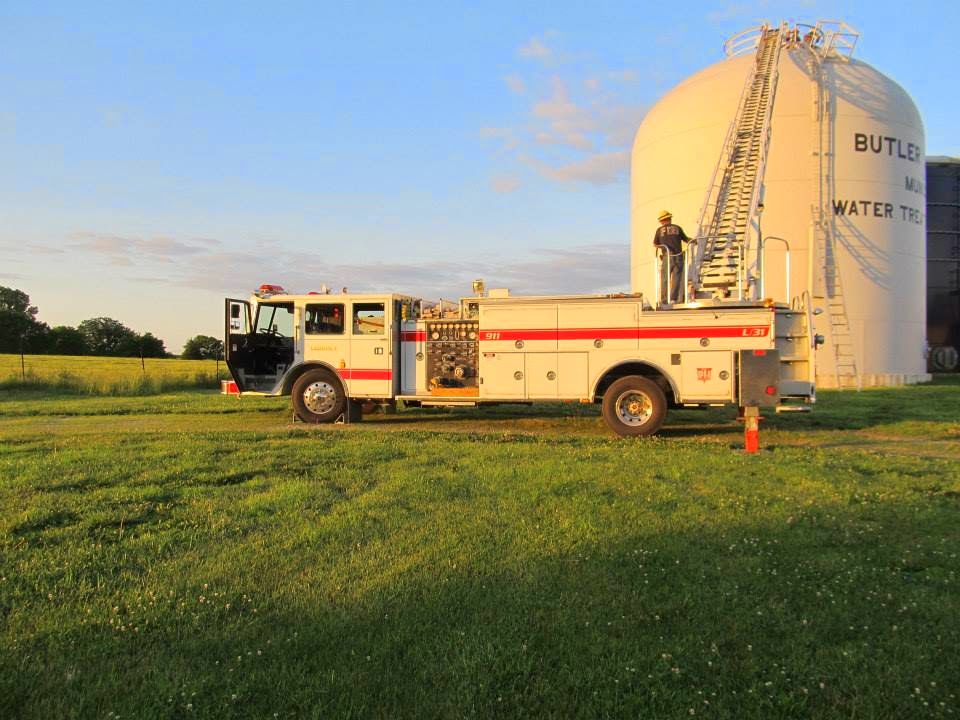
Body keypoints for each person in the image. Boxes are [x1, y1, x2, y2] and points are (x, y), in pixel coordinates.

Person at [653, 210, 692, 304]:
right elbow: (686, 239)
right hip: (678, 256)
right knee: (676, 278)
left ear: (662, 221)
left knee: (665, 279)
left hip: (667, 256)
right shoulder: (677, 228)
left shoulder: (659, 230)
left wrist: (663, 247)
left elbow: (655, 244)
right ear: (670, 219)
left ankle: (664, 300)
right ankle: (673, 299)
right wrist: (693, 241)